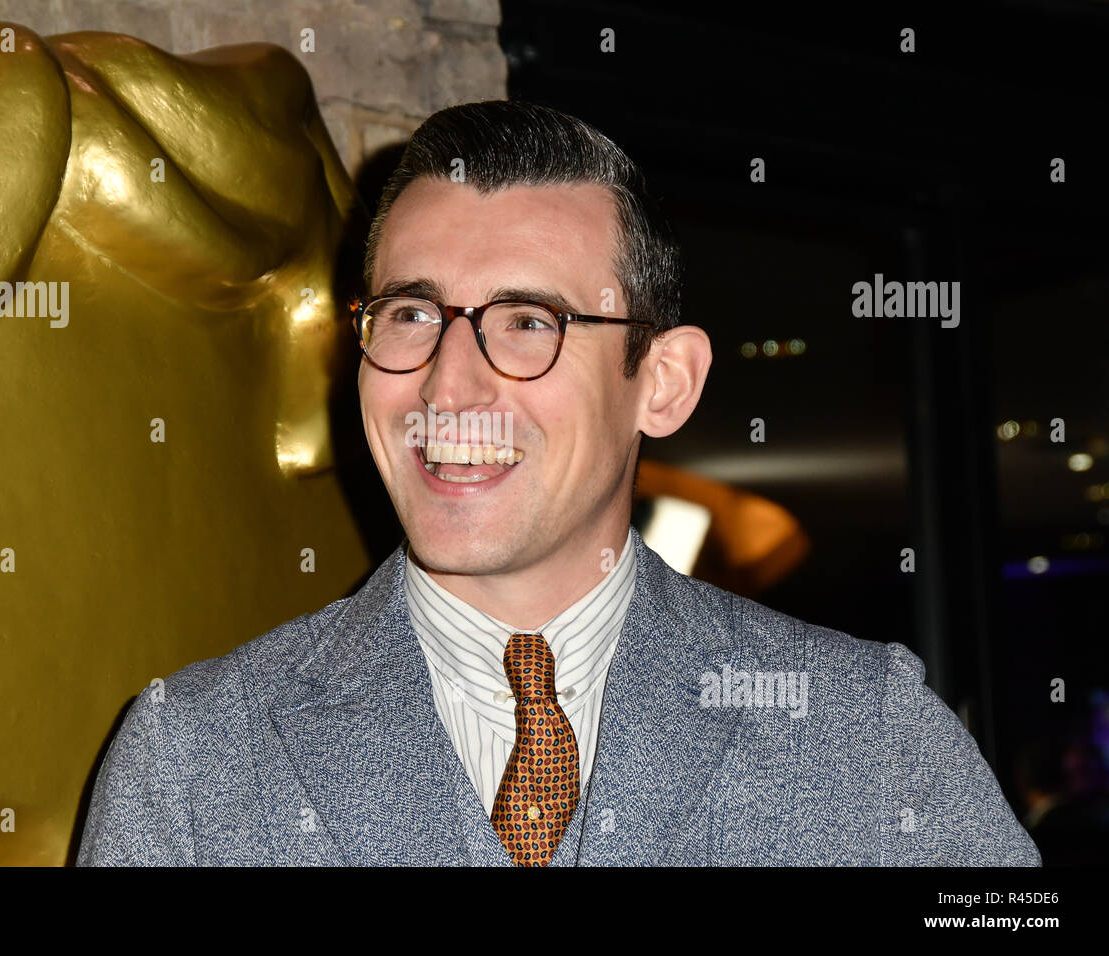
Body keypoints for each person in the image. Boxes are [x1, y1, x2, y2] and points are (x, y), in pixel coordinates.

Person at [77, 100, 1040, 866]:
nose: (449, 385)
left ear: (662, 383)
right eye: (412, 315)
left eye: (529, 322)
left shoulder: (865, 734)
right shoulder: (192, 760)